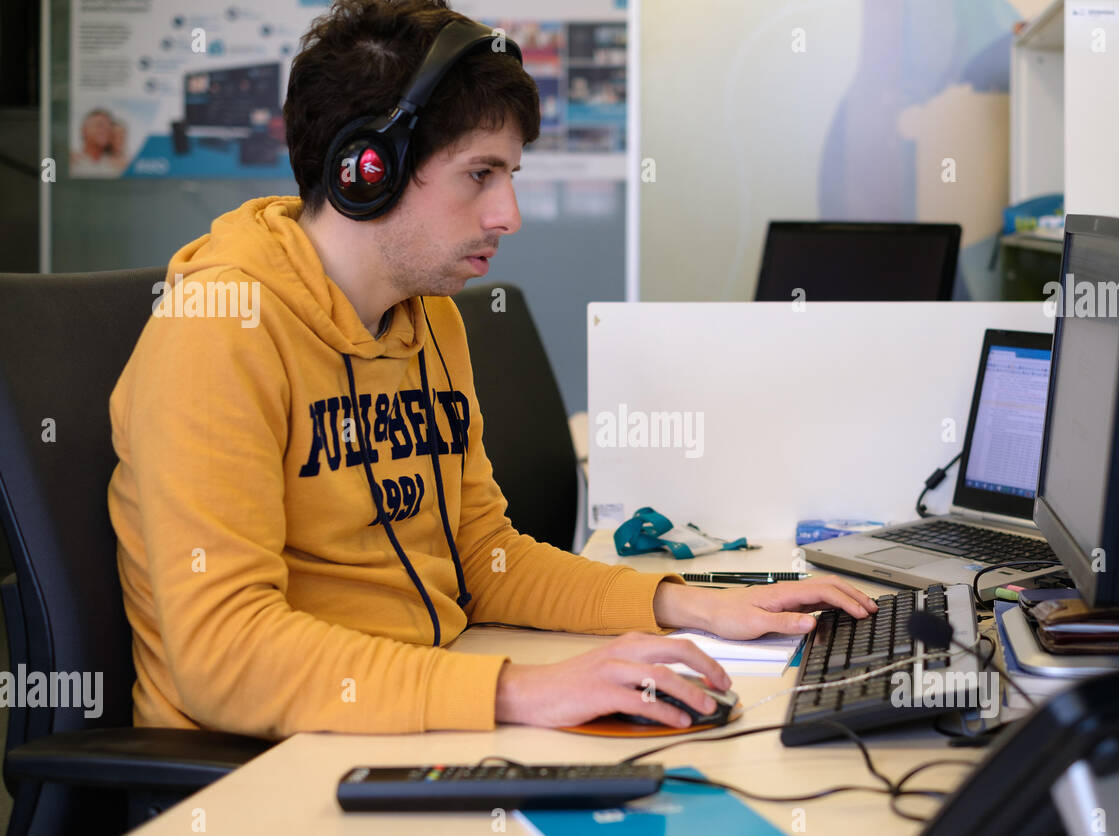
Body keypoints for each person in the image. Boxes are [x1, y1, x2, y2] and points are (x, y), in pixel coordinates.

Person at [107, 0, 876, 741]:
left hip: (412, 708)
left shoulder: (429, 314)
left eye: (510, 174)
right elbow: (223, 656)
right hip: (259, 768)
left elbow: (481, 557)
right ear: (365, 170)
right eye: (480, 174)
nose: (508, 214)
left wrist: (693, 605)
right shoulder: (219, 331)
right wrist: (521, 692)